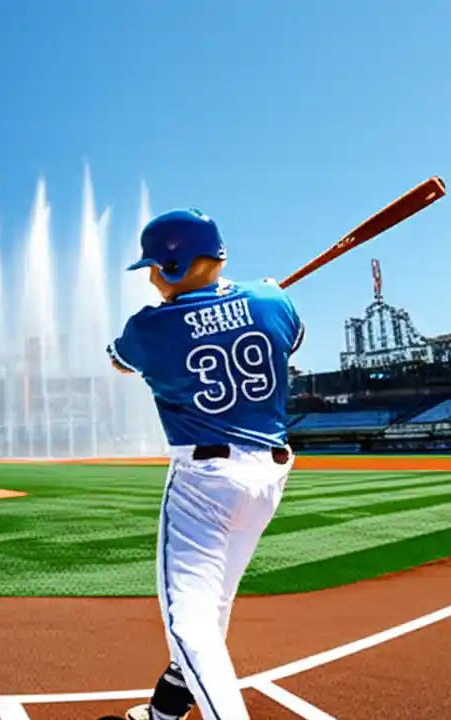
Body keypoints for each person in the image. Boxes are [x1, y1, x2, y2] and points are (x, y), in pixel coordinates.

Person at [106, 209, 303, 720]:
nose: (151, 276)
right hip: (269, 478)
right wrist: (253, 298)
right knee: (209, 615)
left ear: (176, 263)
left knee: (189, 626)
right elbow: (291, 336)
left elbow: (119, 358)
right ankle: (164, 713)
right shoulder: (271, 299)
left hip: (205, 485)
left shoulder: (151, 327)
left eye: (156, 265)